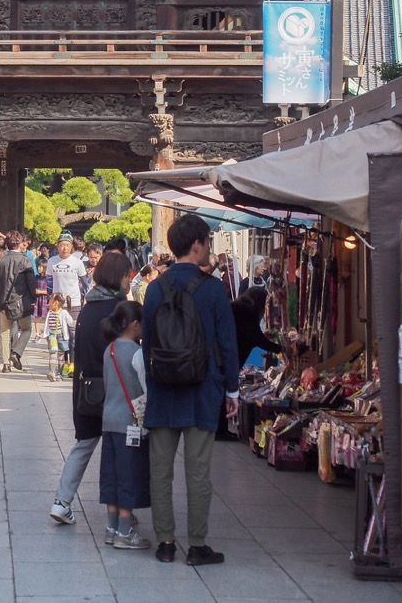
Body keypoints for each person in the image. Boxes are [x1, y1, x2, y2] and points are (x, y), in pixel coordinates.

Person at [141, 215, 238, 566]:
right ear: (196, 245)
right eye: (208, 243)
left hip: (163, 389)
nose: (208, 249)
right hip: (202, 390)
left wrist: (152, 383)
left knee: (160, 471)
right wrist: (233, 390)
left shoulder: (155, 288)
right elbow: (228, 344)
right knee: (198, 472)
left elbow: (147, 342)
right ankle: (197, 545)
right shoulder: (213, 289)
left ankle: (165, 543)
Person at [49, 250, 131, 526]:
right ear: (118, 278)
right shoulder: (118, 310)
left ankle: (62, 501)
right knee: (119, 449)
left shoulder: (87, 308)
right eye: (127, 275)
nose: (130, 281)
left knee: (83, 446)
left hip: (86, 390)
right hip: (116, 392)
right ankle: (123, 512)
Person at [100, 300, 151, 550]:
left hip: (108, 420)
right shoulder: (137, 353)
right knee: (128, 476)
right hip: (130, 424)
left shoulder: (109, 349)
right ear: (134, 324)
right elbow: (145, 388)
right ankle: (125, 531)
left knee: (111, 475)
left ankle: (110, 529)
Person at [215, 285, 283, 440]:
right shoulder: (246, 312)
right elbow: (256, 338)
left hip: (221, 354)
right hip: (229, 357)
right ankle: (220, 430)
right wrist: (280, 348)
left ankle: (217, 429)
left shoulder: (236, 307)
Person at [0, 229, 37, 372]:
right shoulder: (26, 260)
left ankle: (5, 364)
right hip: (22, 302)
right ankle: (16, 352)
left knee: (5, 332)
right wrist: (33, 298)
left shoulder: (1, 261)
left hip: (4, 302)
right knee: (27, 329)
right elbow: (31, 283)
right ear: (20, 244)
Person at [46, 230, 88, 357]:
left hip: (74, 303)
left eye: (67, 245)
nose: (65, 248)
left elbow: (85, 283)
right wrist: (51, 299)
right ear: (57, 246)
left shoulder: (77, 262)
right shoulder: (52, 262)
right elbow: (49, 283)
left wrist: (85, 299)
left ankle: (72, 364)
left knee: (73, 333)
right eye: (62, 245)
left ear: (72, 247)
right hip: (57, 304)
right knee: (58, 333)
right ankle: (60, 362)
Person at [45, 292, 72, 382]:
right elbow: (47, 325)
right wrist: (45, 333)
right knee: (52, 355)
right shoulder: (50, 312)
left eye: (50, 300)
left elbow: (70, 322)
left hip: (61, 337)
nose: (49, 302)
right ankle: (52, 372)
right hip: (52, 336)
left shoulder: (63, 312)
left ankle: (60, 374)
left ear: (55, 303)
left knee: (60, 357)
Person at [33, 259, 49, 340]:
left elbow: (49, 291)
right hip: (37, 300)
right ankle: (37, 334)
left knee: (45, 318)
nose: (39, 268)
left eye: (41, 267)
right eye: (38, 266)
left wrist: (40, 291)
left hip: (45, 300)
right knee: (36, 317)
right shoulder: (37, 277)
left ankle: (46, 331)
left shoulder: (48, 278)